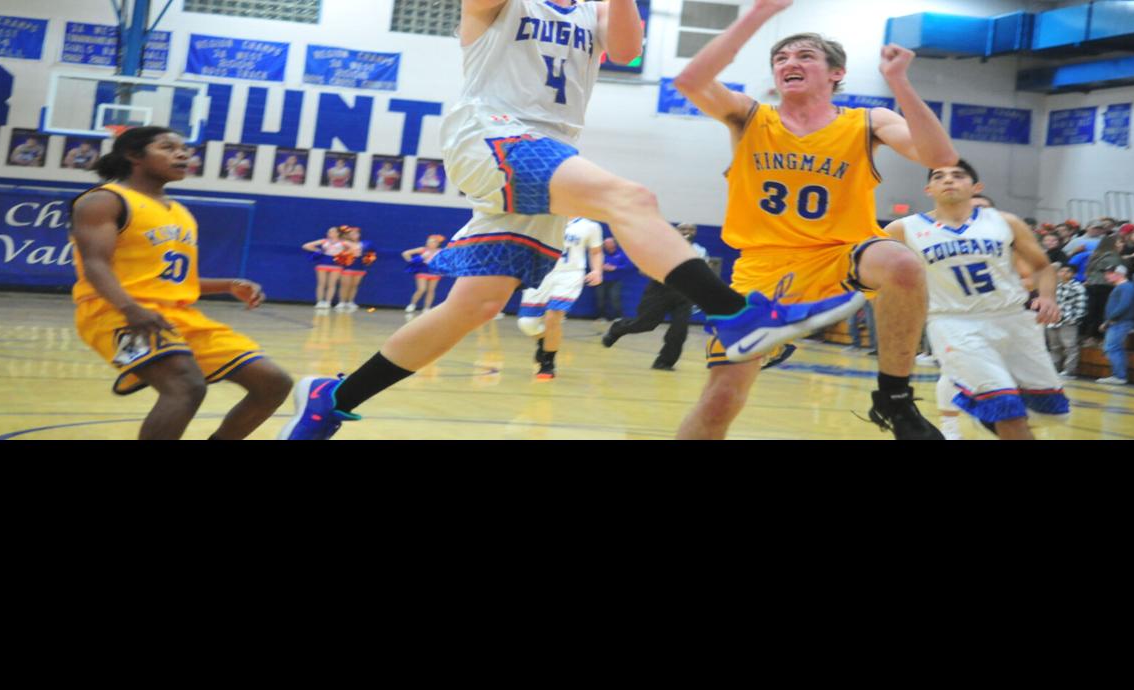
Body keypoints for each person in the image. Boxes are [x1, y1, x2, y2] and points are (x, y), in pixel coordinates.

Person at [279, 0, 862, 440]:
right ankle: (735, 316)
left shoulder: (591, 11)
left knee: (475, 305)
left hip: (550, 152)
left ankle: (330, 399)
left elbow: (630, 49)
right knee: (629, 197)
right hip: (491, 132)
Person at [671, 0, 961, 439]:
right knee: (720, 401)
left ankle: (895, 398)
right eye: (781, 58)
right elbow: (691, 80)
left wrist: (898, 82)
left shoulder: (867, 122)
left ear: (836, 73)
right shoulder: (750, 116)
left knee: (902, 263)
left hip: (840, 254)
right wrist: (757, 15)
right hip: (764, 269)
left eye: (805, 55)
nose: (790, 62)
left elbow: (940, 157)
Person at [67, 126, 295, 439]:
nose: (183, 154)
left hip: (177, 315)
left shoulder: (181, 212)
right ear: (134, 155)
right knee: (185, 386)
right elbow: (94, 264)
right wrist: (129, 307)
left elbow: (171, 281)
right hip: (115, 314)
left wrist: (228, 284)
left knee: (272, 382)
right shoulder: (104, 201)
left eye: (185, 148)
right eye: (168, 147)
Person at [891, 160, 1066, 441]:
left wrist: (1047, 297)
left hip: (1012, 319)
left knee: (1042, 412)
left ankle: (983, 414)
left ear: (975, 187)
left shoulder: (1004, 221)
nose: (948, 180)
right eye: (939, 176)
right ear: (928, 188)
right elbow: (871, 265)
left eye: (958, 176)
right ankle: (959, 423)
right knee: (1006, 409)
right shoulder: (904, 228)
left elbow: (1043, 266)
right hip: (954, 322)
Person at [601, 222, 704, 370]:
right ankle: (617, 329)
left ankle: (664, 362)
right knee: (645, 324)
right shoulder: (662, 247)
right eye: (683, 229)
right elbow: (643, 270)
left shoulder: (699, 251)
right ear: (676, 231)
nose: (687, 231)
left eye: (691, 229)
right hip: (659, 290)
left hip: (684, 293)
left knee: (679, 332)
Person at [517, 216, 604, 380]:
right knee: (526, 324)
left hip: (570, 275)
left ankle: (548, 363)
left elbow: (596, 251)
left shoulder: (590, 226)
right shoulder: (543, 218)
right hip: (541, 272)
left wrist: (597, 270)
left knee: (553, 317)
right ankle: (544, 342)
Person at [1097, 263, 1134, 386]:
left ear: (1120, 274)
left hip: (1121, 322)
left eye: (1109, 273)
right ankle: (1118, 375)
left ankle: (1119, 376)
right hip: (1117, 322)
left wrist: (1109, 320)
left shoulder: (1127, 287)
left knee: (1112, 348)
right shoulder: (1123, 287)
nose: (1106, 276)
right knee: (1114, 348)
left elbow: (1124, 305)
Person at [302, 227, 347, 311]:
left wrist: (343, 254)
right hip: (323, 263)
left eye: (332, 231)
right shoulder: (324, 241)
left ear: (338, 233)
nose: (329, 233)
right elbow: (305, 246)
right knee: (321, 283)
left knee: (331, 284)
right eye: (329, 231)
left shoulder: (343, 243)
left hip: (336, 265)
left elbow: (354, 249)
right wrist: (319, 250)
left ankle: (328, 302)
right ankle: (319, 302)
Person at [403, 235, 448, 314]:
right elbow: (405, 253)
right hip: (423, 270)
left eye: (432, 241)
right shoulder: (423, 249)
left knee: (431, 290)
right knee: (421, 289)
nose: (429, 243)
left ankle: (427, 307)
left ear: (438, 243)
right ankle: (412, 304)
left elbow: (446, 260)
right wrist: (412, 262)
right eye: (429, 241)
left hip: (434, 271)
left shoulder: (440, 251)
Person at [333, 226, 374, 311]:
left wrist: (368, 258)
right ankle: (342, 302)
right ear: (348, 235)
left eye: (357, 233)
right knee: (345, 285)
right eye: (352, 234)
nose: (355, 235)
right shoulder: (344, 243)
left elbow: (370, 254)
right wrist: (348, 252)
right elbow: (338, 253)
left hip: (359, 266)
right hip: (348, 265)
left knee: (354, 285)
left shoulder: (364, 243)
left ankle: (350, 301)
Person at [595, 236, 633, 321]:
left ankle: (618, 317)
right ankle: (601, 317)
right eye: (605, 243)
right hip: (601, 281)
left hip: (615, 281)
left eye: (608, 243)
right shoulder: (600, 254)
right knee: (600, 299)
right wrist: (600, 267)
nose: (606, 245)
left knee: (615, 298)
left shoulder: (622, 254)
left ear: (614, 244)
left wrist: (615, 268)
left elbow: (628, 266)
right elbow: (593, 264)